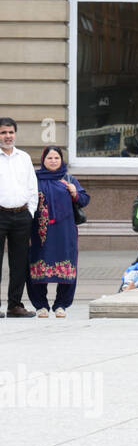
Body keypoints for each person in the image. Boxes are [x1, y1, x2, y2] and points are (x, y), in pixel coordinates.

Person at [27, 146, 89, 319]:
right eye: (49, 158)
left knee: (67, 266)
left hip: (64, 232)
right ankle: (41, 306)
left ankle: (61, 305)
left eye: (56, 158)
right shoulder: (34, 179)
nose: (53, 161)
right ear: (43, 160)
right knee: (37, 265)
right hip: (40, 232)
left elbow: (84, 200)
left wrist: (74, 192)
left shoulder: (68, 178)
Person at [0, 117, 38, 318]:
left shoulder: (24, 157)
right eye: (3, 132)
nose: (8, 136)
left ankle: (14, 305)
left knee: (19, 263)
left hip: (21, 215)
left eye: (11, 132)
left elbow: (32, 186)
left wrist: (29, 212)